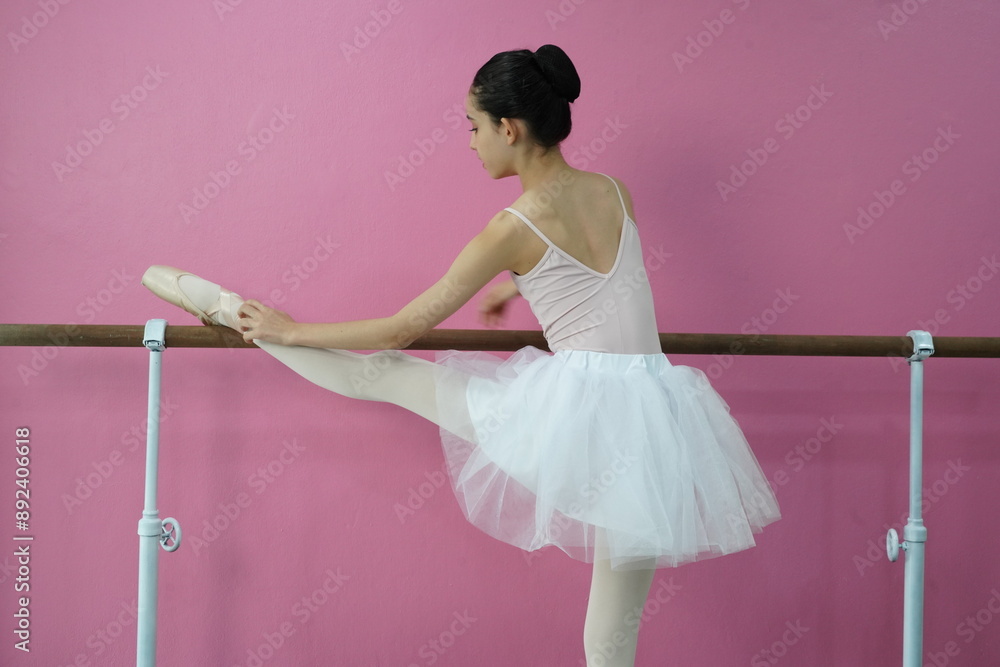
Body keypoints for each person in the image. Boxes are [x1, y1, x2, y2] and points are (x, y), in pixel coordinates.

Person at [142, 44, 780, 667]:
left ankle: (236, 315)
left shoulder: (511, 229)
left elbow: (400, 330)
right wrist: (515, 284)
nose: (470, 142)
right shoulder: (615, 192)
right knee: (610, 640)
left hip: (576, 420)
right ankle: (239, 316)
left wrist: (292, 328)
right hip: (654, 415)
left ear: (508, 127)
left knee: (385, 374)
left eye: (473, 127)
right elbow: (599, 274)